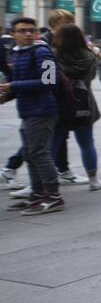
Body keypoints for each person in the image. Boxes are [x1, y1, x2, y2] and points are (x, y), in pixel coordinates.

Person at [0, 16, 64, 215]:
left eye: (31, 30)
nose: (28, 34)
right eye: (22, 31)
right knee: (29, 154)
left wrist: (12, 86)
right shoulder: (17, 53)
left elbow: (49, 82)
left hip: (43, 111)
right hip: (28, 110)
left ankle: (53, 196)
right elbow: (22, 82)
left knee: (38, 153)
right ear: (13, 34)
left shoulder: (42, 52)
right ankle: (37, 194)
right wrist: (8, 95)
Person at [52, 23, 101, 191]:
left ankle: (44, 182)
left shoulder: (51, 56)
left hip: (59, 104)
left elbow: (47, 81)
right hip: (83, 102)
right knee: (86, 142)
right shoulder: (89, 56)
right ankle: (93, 180)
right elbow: (90, 77)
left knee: (53, 143)